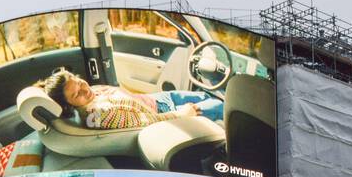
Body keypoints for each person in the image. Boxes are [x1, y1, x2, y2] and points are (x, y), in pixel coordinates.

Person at [36, 68, 224, 131]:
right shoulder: (98, 115)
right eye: (76, 94)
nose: (85, 89)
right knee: (220, 105)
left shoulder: (91, 95)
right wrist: (182, 114)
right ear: (68, 105)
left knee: (205, 96)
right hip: (166, 113)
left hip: (156, 99)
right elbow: (145, 123)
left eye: (80, 82)